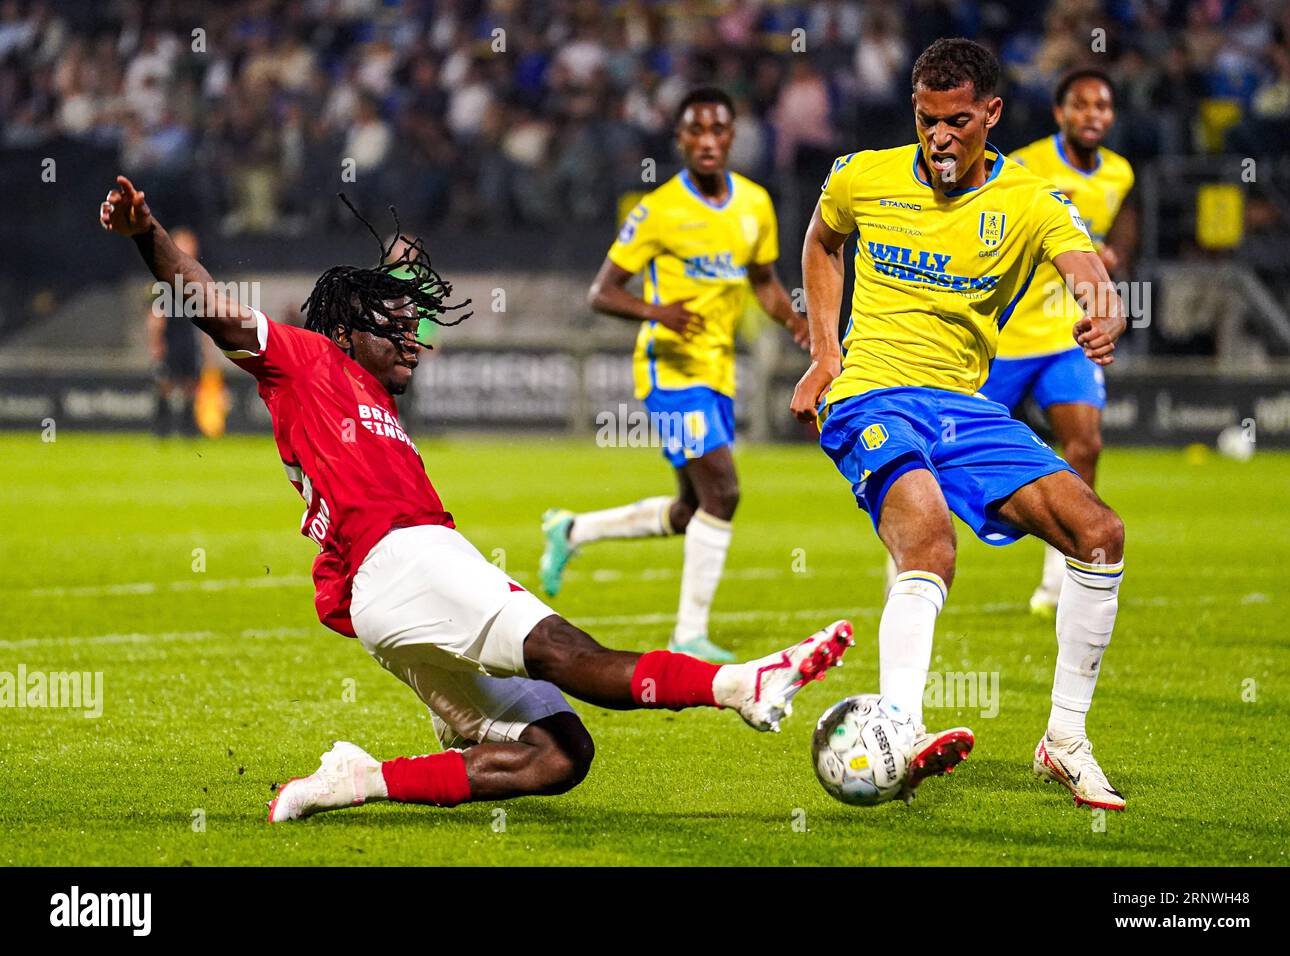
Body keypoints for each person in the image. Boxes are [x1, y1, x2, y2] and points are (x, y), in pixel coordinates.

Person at [99, 175, 852, 823]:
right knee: (567, 652)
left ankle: (357, 780)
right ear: (346, 330)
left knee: (559, 756)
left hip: (392, 591)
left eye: (414, 330)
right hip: (404, 560)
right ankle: (742, 685)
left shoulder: (380, 410)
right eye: (393, 329)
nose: (412, 342)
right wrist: (149, 233)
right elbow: (211, 305)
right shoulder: (307, 359)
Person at [792, 39, 1129, 810]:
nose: (940, 137)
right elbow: (820, 240)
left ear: (992, 114)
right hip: (871, 394)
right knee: (929, 540)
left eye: (957, 121)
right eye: (926, 120)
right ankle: (900, 729)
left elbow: (1090, 274)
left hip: (966, 409)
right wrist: (824, 351)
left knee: (1100, 533)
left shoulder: (1033, 200)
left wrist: (1101, 314)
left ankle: (1065, 741)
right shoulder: (862, 175)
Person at [539, 88, 810, 664]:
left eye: (718, 131)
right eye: (695, 131)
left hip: (716, 370)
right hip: (669, 371)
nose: (707, 141)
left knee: (692, 509)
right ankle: (688, 633)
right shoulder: (658, 210)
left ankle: (572, 532)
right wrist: (658, 312)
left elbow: (762, 277)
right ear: (681, 139)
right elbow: (602, 292)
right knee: (726, 492)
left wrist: (793, 318)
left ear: (732, 137)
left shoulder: (754, 204)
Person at [980, 68, 1137, 615]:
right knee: (936, 450)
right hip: (1005, 337)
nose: (1094, 114)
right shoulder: (1023, 166)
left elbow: (1104, 241)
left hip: (1064, 334)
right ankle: (908, 565)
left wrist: (1105, 258)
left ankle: (1058, 581)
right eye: (1082, 105)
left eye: (1103, 105)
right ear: (1060, 113)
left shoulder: (1120, 174)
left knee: (1086, 446)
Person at [146, 226, 202, 437]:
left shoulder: (197, 280)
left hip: (188, 337)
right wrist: (156, 342)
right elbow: (155, 315)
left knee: (191, 383)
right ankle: (162, 427)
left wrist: (206, 344)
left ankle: (189, 428)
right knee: (165, 383)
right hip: (170, 337)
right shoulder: (164, 277)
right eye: (185, 245)